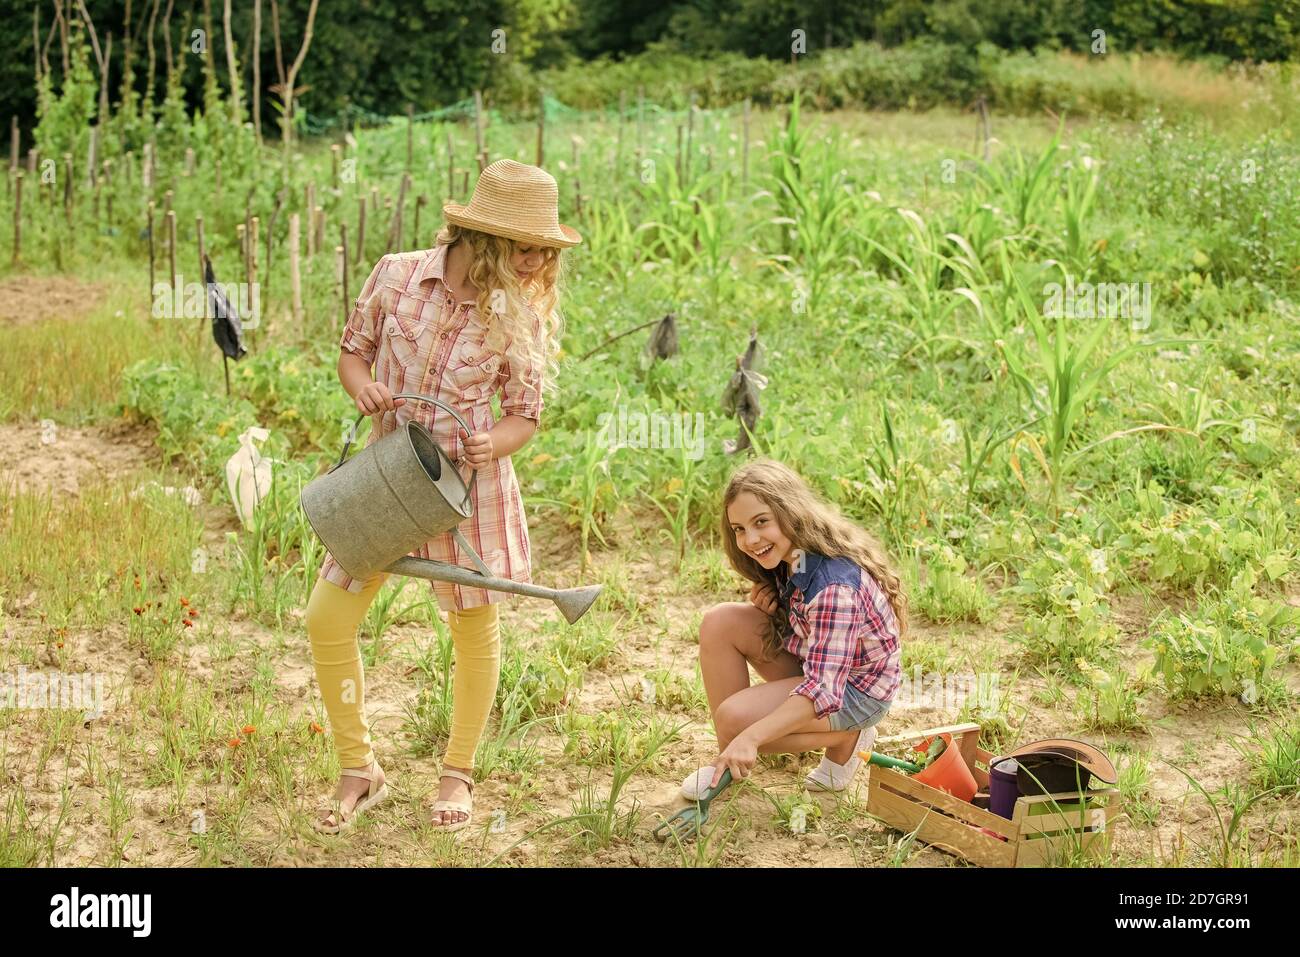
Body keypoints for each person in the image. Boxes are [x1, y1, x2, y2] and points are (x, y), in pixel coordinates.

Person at [306, 159, 580, 833]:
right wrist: (360, 385)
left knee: (473, 629)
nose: (538, 261)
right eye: (526, 248)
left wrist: (498, 441)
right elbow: (352, 351)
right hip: (387, 481)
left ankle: (457, 771)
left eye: (545, 250)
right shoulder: (397, 274)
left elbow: (524, 412)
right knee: (327, 618)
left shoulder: (517, 312)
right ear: (481, 238)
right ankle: (358, 766)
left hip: (466, 491)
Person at [680, 458, 907, 798]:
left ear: (791, 512)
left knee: (734, 721)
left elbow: (823, 689)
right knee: (720, 622)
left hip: (856, 690)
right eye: (740, 528)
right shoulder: (794, 557)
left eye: (761, 522)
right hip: (823, 668)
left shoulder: (834, 588)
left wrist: (752, 735)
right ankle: (732, 750)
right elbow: (812, 635)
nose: (751, 539)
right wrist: (777, 608)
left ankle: (849, 735)